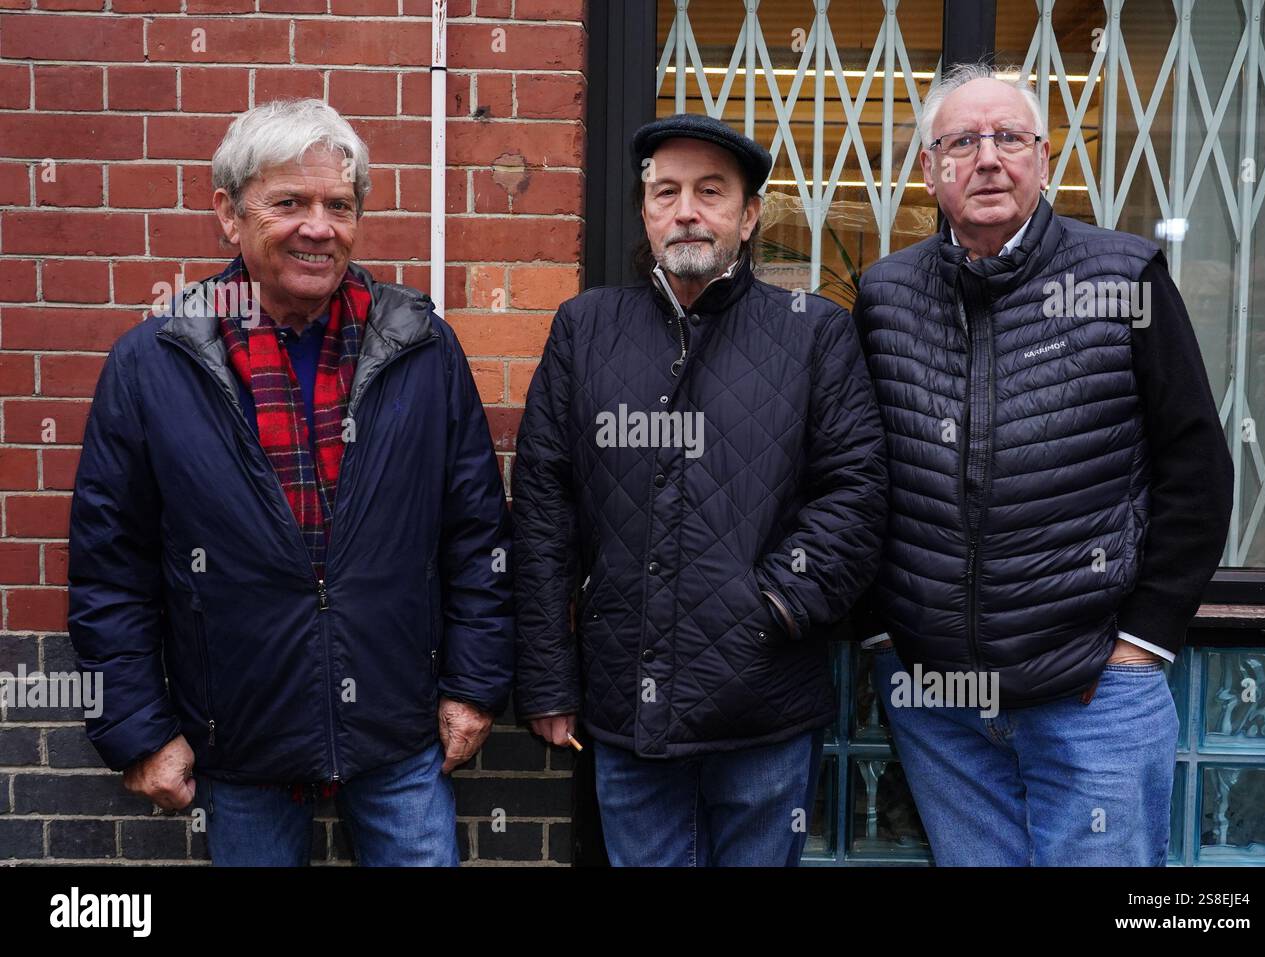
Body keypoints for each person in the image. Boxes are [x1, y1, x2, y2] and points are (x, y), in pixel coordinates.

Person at [67, 98, 514, 866]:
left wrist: (473, 686)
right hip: (240, 739)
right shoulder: (153, 366)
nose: (319, 226)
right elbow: (112, 570)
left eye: (339, 205)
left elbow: (476, 532)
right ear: (228, 215)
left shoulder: (422, 349)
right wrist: (139, 730)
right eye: (289, 203)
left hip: (399, 730)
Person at [853, 63, 1233, 865]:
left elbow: (1194, 462)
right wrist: (885, 629)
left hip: (1094, 688)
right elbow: (859, 468)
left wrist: (1145, 637)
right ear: (929, 170)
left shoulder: (1123, 276)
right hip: (940, 701)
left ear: (1044, 157)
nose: (986, 158)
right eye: (962, 141)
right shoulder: (885, 295)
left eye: (1008, 138)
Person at [512, 113, 889, 866]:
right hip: (624, 703)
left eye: (710, 192)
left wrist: (775, 605)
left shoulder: (813, 333)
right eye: (666, 192)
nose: (686, 209)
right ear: (645, 212)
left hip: (764, 704)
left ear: (749, 216)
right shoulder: (585, 329)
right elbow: (543, 510)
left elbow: (856, 494)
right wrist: (549, 679)